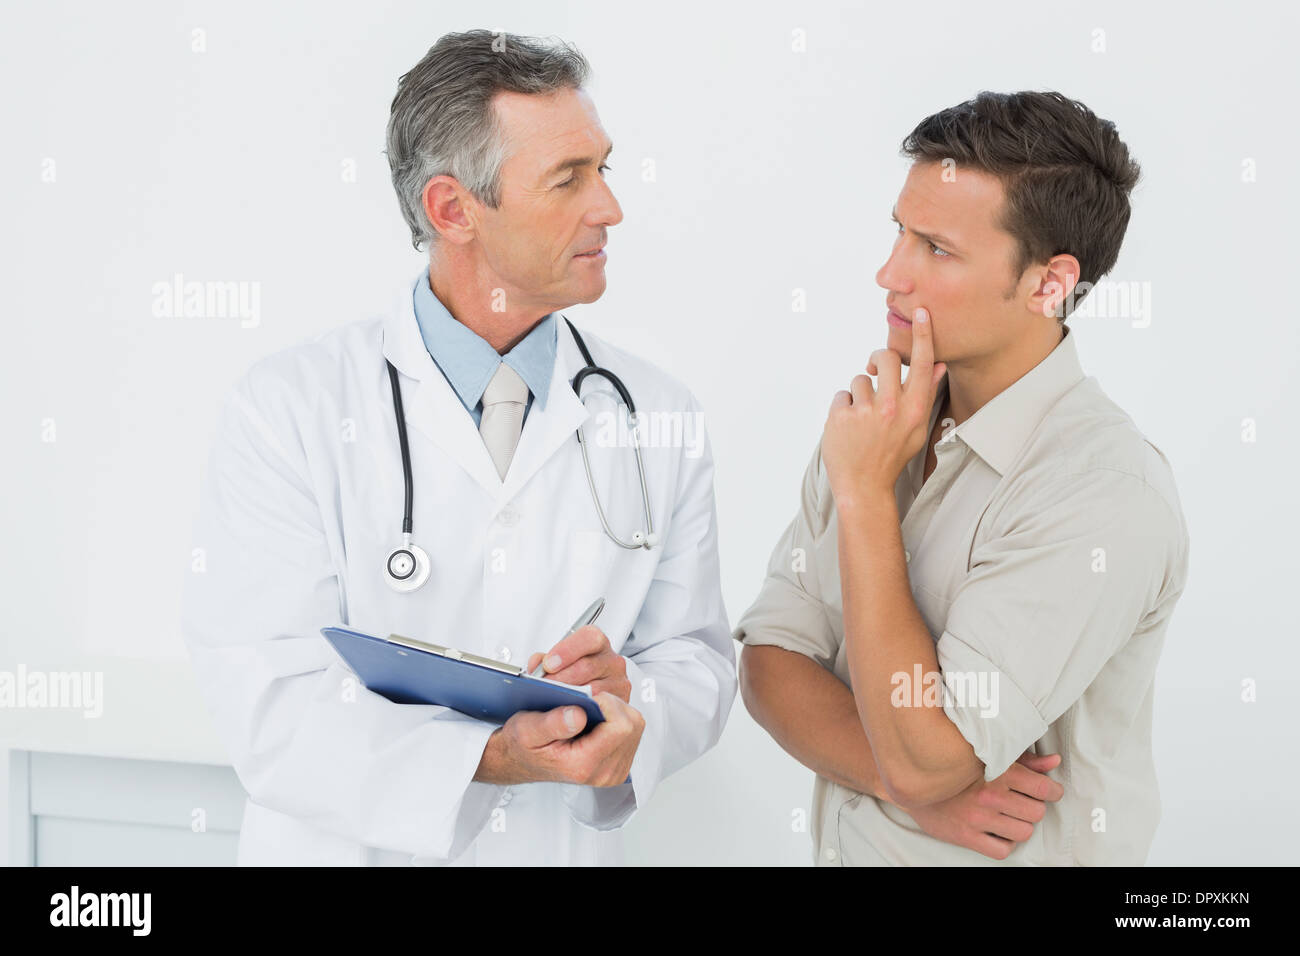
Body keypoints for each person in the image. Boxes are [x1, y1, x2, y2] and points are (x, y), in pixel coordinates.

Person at [181, 29, 735, 866]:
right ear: (453, 209)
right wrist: (488, 759)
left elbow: (695, 659)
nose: (610, 208)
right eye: (568, 178)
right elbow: (269, 693)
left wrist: (631, 702)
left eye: (603, 168)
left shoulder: (656, 414)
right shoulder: (289, 408)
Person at [736, 91, 1189, 865]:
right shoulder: (876, 428)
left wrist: (866, 497)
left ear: (1050, 284)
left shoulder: (1101, 493)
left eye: (935, 250)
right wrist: (903, 785)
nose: (889, 274)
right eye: (898, 235)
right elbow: (770, 664)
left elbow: (928, 756)